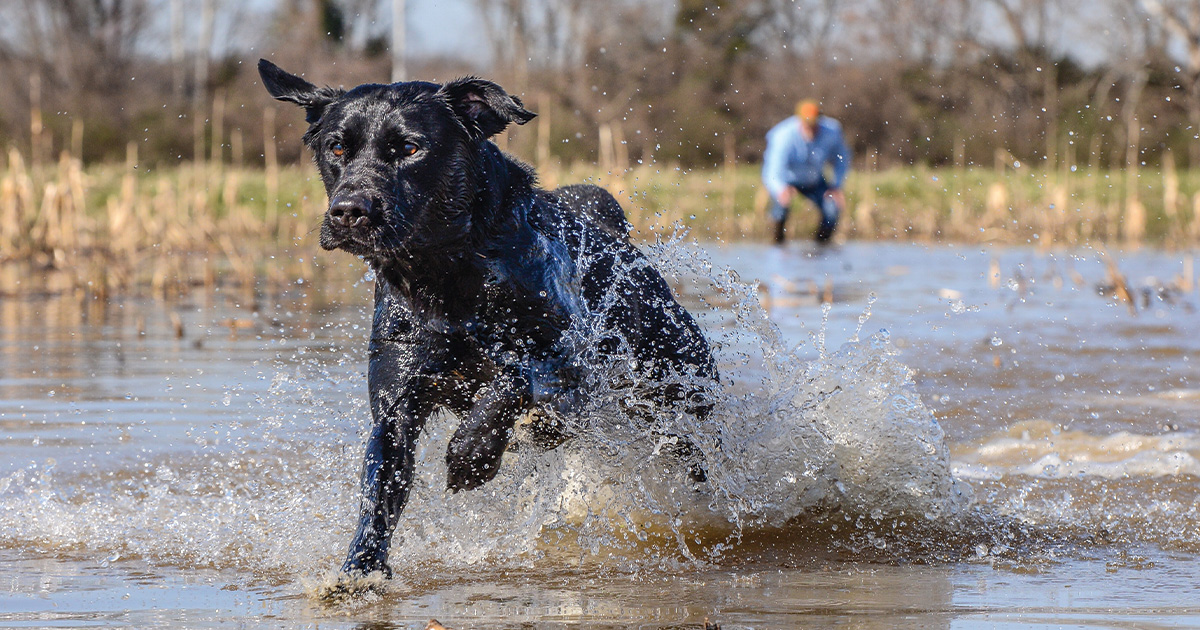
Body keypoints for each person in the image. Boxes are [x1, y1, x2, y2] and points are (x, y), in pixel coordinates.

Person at [761, 99, 851, 244]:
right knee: (780, 208)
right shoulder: (783, 135)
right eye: (807, 124)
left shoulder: (833, 131)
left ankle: (821, 248)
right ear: (799, 120)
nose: (811, 128)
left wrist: (836, 185)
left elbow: (842, 160)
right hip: (787, 180)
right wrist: (780, 189)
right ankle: (777, 245)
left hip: (815, 180)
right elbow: (771, 171)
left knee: (832, 209)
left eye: (814, 124)